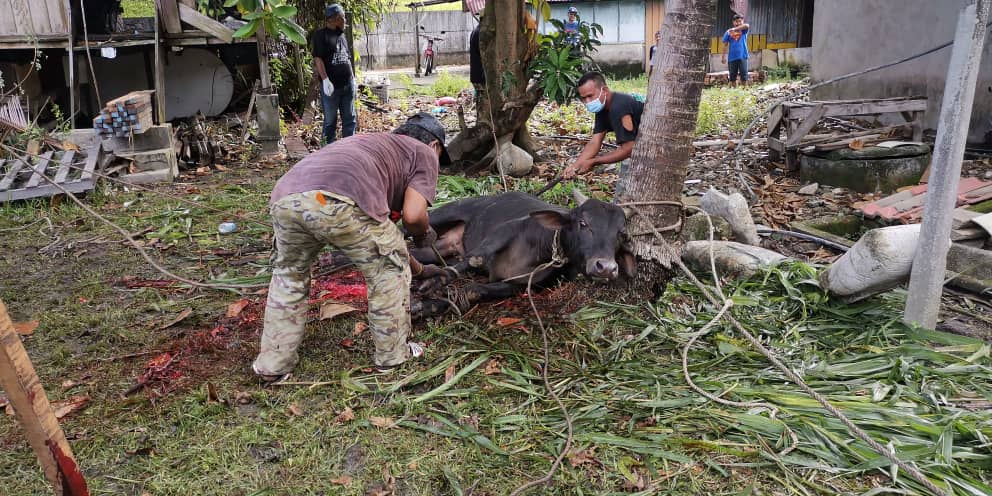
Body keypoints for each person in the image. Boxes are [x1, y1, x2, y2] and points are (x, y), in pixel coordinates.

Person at [253, 112, 452, 380]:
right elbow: (414, 217)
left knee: (289, 276)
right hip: (337, 200)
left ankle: (272, 365)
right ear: (436, 146)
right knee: (386, 272)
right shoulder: (424, 153)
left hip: (287, 198)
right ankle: (393, 357)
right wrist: (422, 234)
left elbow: (385, 238)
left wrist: (418, 269)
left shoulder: (373, 145)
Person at [562, 72, 644, 196]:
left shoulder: (619, 107)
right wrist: (575, 166)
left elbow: (629, 149)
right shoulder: (603, 108)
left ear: (604, 90)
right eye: (584, 98)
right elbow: (595, 142)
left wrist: (595, 161)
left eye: (590, 96)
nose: (587, 102)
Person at [313, 4, 357, 144]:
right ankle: (327, 152)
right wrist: (325, 80)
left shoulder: (342, 35)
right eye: (343, 17)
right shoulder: (321, 35)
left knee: (350, 120)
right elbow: (318, 58)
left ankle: (349, 150)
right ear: (336, 18)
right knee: (330, 122)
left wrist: (352, 79)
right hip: (331, 87)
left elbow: (347, 58)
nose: (344, 20)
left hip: (347, 85)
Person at [721, 14, 751, 88]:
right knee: (732, 77)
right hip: (732, 58)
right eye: (736, 21)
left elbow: (747, 25)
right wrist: (723, 57)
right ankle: (735, 91)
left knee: (744, 76)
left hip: (743, 56)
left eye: (740, 21)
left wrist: (735, 29)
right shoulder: (728, 32)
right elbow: (725, 45)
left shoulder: (743, 30)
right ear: (733, 22)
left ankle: (745, 91)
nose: (738, 23)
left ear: (742, 21)